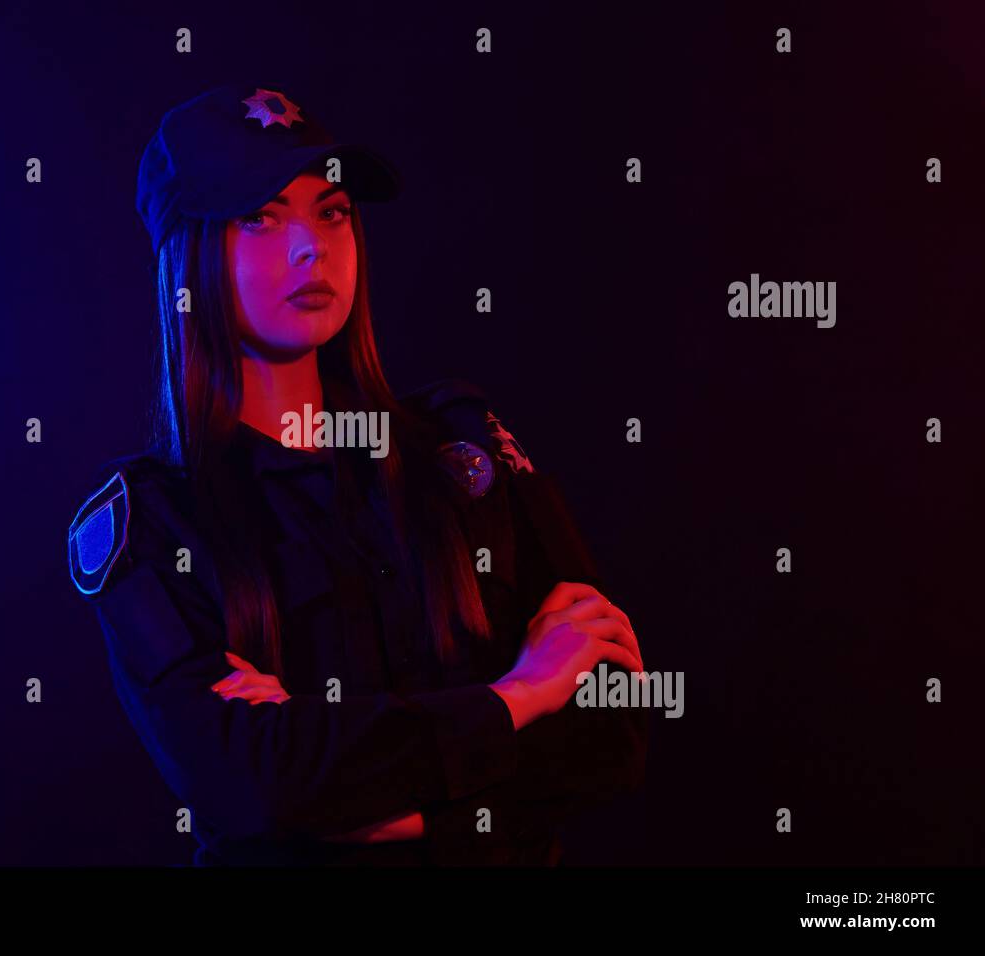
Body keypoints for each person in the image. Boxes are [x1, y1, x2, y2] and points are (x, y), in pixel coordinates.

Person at [68, 84, 648, 866]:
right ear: (186, 258)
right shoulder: (150, 520)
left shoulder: (459, 446)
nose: (311, 246)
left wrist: (405, 815)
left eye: (332, 211)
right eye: (261, 218)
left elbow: (612, 726)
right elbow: (251, 787)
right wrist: (519, 695)